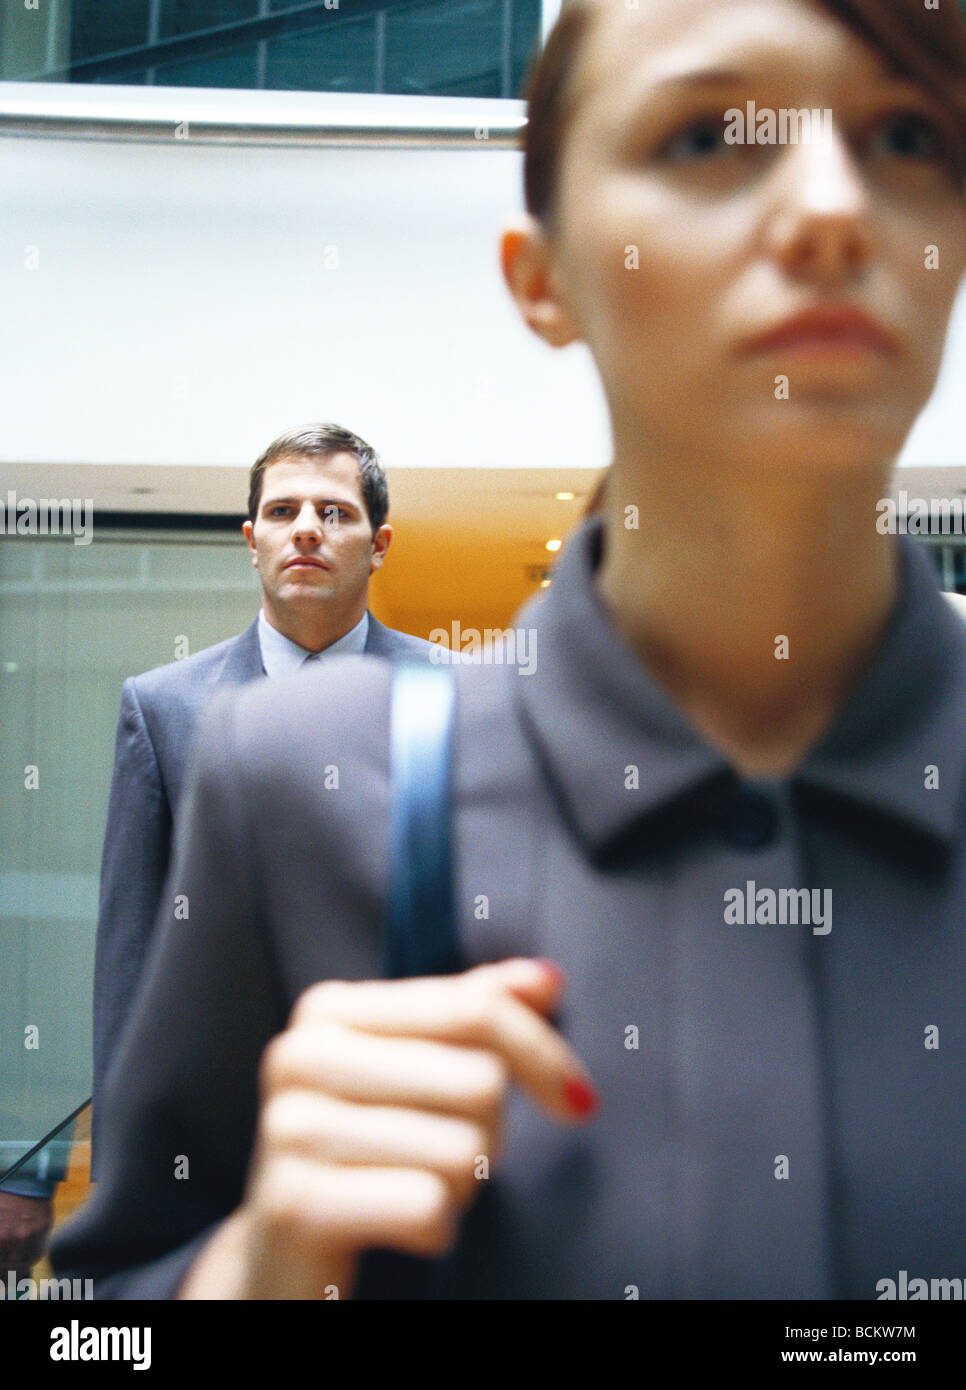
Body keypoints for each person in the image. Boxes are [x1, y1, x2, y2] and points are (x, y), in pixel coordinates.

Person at [54, 0, 966, 1298]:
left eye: (907, 137)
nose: (831, 206)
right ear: (541, 274)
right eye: (709, 134)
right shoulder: (286, 774)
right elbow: (108, 1308)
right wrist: (252, 1267)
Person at [91, 423, 432, 1153]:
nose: (306, 529)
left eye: (334, 512)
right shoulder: (161, 709)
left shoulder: (458, 697)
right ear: (252, 540)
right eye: (282, 512)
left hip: (405, 1125)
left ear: (379, 545)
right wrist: (125, 1175)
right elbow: (130, 954)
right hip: (218, 1137)